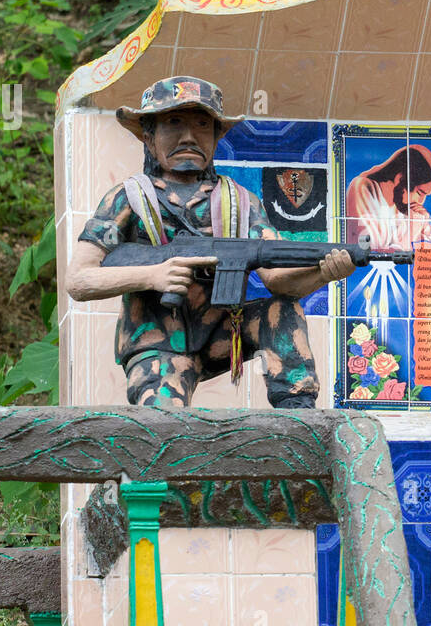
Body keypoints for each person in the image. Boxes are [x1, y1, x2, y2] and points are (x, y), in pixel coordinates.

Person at [63, 76, 354, 408]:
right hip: (158, 343)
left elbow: (278, 283)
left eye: (202, 125)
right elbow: (78, 279)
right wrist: (152, 276)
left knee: (282, 310)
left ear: (216, 136)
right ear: (149, 135)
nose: (189, 136)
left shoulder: (241, 202)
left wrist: (323, 272)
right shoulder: (128, 198)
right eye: (174, 123)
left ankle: (299, 416)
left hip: (222, 337)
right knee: (162, 423)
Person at [344, 144, 431, 251]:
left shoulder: (408, 209)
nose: (421, 202)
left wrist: (423, 224)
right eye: (420, 193)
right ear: (400, 179)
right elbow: (368, 250)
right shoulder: (364, 187)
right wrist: (412, 231)